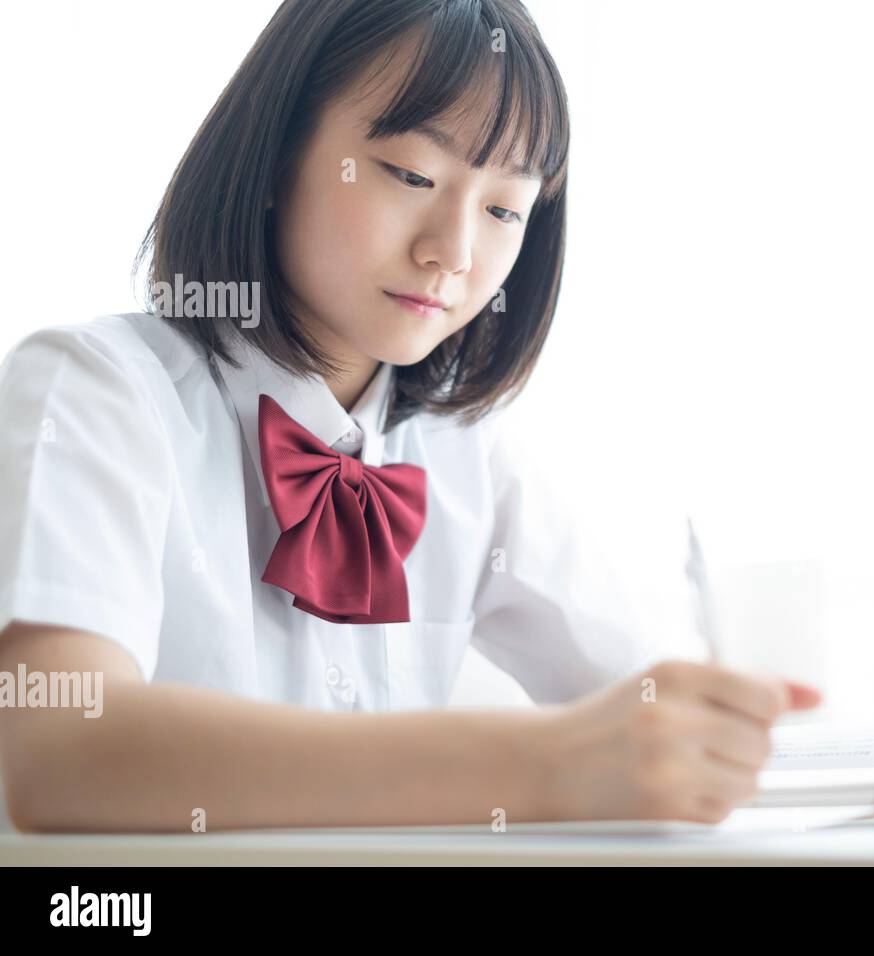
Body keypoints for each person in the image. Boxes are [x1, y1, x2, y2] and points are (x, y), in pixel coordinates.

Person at [0, 0, 819, 833]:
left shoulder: (473, 460)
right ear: (276, 154)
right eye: (412, 176)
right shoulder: (96, 393)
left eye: (505, 211)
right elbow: (62, 751)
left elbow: (655, 706)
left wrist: (713, 730)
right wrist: (546, 762)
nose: (453, 252)